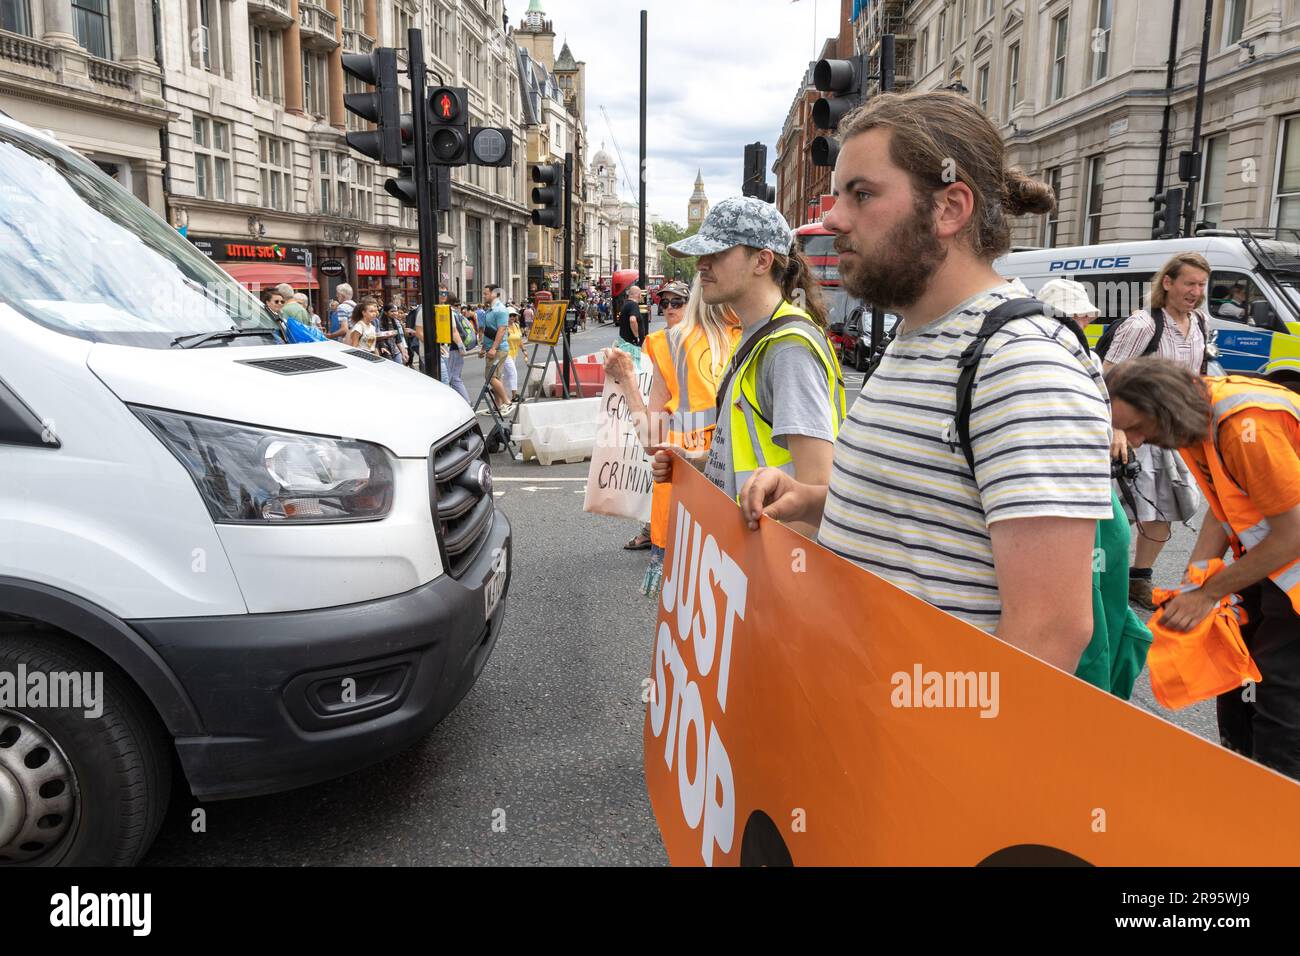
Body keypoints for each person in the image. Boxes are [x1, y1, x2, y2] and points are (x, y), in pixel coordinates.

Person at [741, 90, 1112, 670]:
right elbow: (930, 524)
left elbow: (1049, 636)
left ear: (949, 209)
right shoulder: (920, 337)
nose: (834, 218)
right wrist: (813, 502)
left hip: (926, 746)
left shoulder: (1022, 367)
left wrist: (947, 760)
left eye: (861, 194)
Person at [1107, 356, 1300, 779]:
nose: (1135, 442)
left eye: (1138, 427)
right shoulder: (1199, 422)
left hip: (1289, 553)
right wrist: (1193, 579)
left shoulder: (1247, 425)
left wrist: (1209, 592)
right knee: (1240, 678)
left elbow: (1292, 535)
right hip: (1274, 558)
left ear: (1165, 406)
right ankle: (1246, 781)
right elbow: (1222, 508)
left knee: (1280, 693)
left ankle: (1277, 809)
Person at [651, 195, 846, 540]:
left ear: (762, 260)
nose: (701, 264)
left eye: (718, 253)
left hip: (771, 567)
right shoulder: (756, 335)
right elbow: (754, 452)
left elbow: (816, 486)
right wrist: (697, 460)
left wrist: (775, 576)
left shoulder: (788, 347)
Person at [1037, 279, 1153, 698]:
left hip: (1085, 501)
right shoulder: (1066, 358)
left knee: (1096, 606)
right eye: (1081, 316)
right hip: (1081, 502)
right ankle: (1092, 698)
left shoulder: (1069, 356)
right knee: (1093, 607)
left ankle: (1089, 697)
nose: (1086, 322)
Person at [608, 278, 742, 580]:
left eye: (676, 302)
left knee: (686, 616)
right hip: (737, 504)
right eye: (664, 303)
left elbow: (652, 442)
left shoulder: (668, 344)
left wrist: (627, 381)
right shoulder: (763, 336)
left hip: (683, 508)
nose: (668, 308)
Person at [1102, 252, 1210, 610]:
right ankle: (1098, 577)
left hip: (1168, 436)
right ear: (1168, 283)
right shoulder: (1144, 325)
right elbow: (1106, 377)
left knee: (1165, 507)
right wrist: (1117, 429)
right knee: (1119, 511)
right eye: (1189, 283)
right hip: (1130, 431)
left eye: (1201, 285)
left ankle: (1139, 578)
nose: (1195, 291)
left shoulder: (1200, 323)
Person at [481, 284, 511, 412]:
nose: (484, 295)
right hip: (491, 348)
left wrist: (493, 348)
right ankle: (497, 406)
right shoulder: (490, 310)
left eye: (486, 293)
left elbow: (501, 330)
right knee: (496, 377)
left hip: (498, 349)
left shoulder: (500, 310)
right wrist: (484, 348)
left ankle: (507, 402)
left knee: (490, 377)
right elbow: (488, 331)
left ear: (494, 294)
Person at [503, 306, 523, 403]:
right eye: (510, 315)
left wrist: (524, 350)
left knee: (507, 375)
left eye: (514, 315)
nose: (512, 317)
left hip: (514, 353)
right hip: (506, 353)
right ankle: (514, 395)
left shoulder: (516, 326)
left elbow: (519, 339)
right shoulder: (503, 327)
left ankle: (497, 390)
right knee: (513, 372)